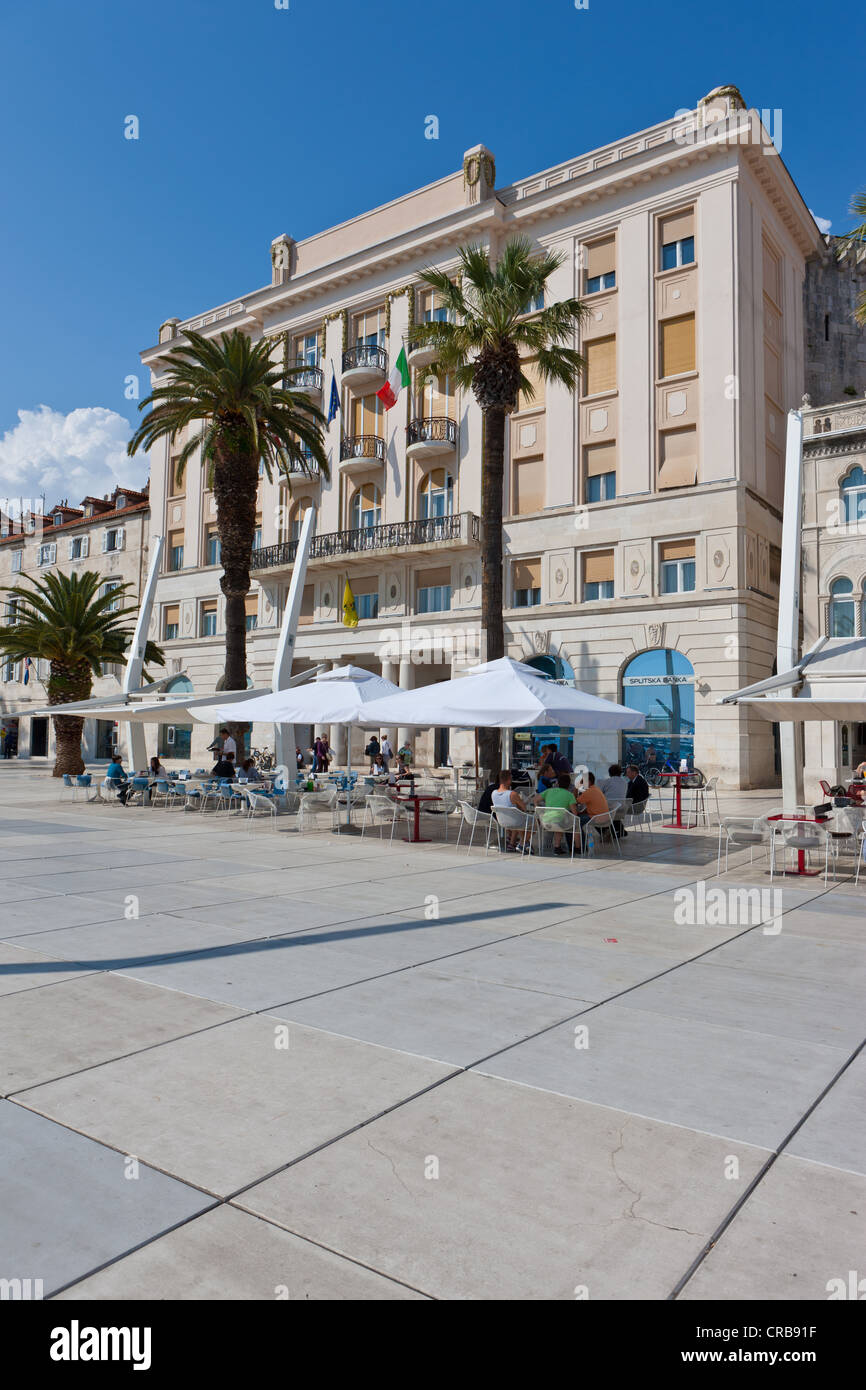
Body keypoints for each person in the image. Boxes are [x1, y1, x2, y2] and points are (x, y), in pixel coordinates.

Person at [534, 772, 578, 855]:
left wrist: (538, 812)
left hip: (545, 821)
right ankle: (560, 847)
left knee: (559, 820)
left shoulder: (549, 791)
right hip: (559, 822)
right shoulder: (569, 795)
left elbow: (535, 800)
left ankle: (557, 847)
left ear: (557, 783)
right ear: (569, 785)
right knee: (564, 821)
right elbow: (575, 813)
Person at [491, 769, 531, 851]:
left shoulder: (493, 793)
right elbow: (524, 808)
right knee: (535, 822)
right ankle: (522, 843)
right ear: (509, 779)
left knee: (517, 819)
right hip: (515, 822)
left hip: (502, 821)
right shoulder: (512, 794)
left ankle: (513, 844)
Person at [574, 772, 609, 843]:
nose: (581, 784)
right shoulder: (596, 789)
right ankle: (604, 831)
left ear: (588, 782)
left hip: (597, 817)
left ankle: (581, 845)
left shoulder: (589, 792)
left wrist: (576, 788)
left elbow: (574, 802)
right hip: (604, 816)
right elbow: (593, 806)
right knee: (580, 815)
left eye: (582, 782)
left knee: (575, 822)